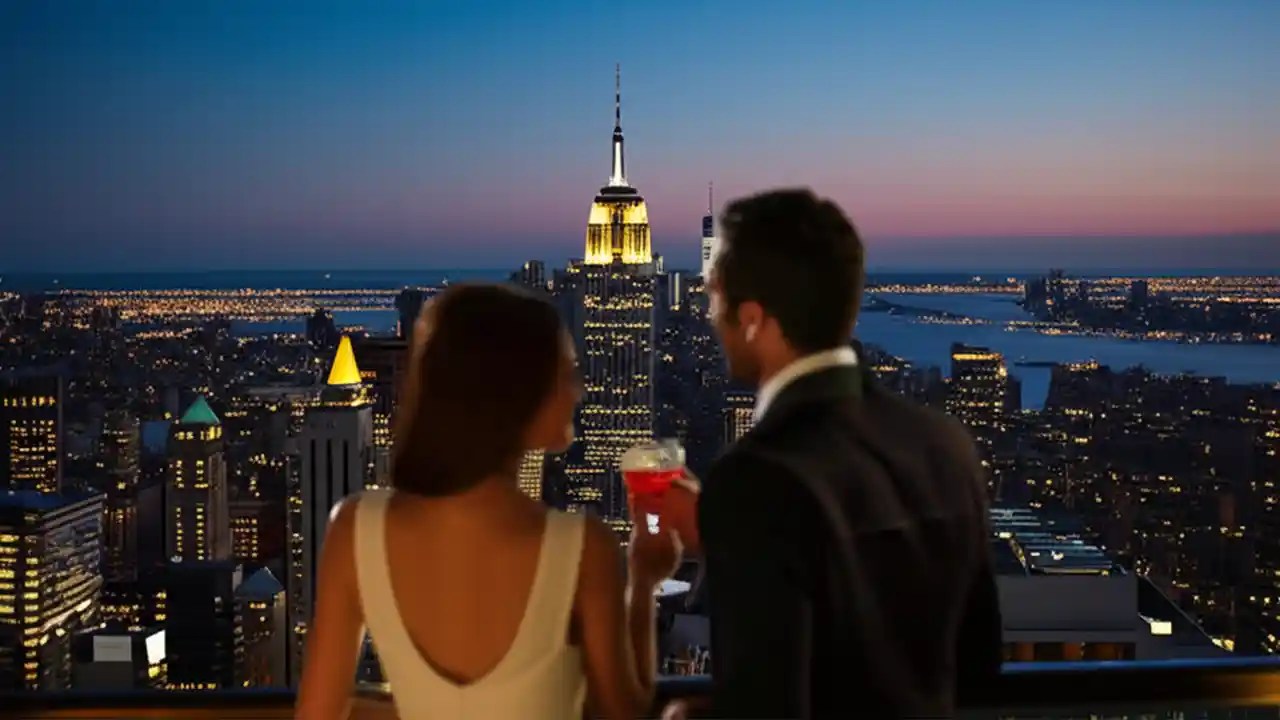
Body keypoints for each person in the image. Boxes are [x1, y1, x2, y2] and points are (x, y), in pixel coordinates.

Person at [667, 189, 1003, 718]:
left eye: (714, 299)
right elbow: (978, 668)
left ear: (753, 318)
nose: (710, 318)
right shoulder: (945, 444)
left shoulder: (755, 477)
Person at [296, 283, 681, 720]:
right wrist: (644, 582)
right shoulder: (583, 548)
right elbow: (625, 713)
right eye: (566, 374)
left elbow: (317, 714)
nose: (578, 391)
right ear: (516, 393)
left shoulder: (354, 529)